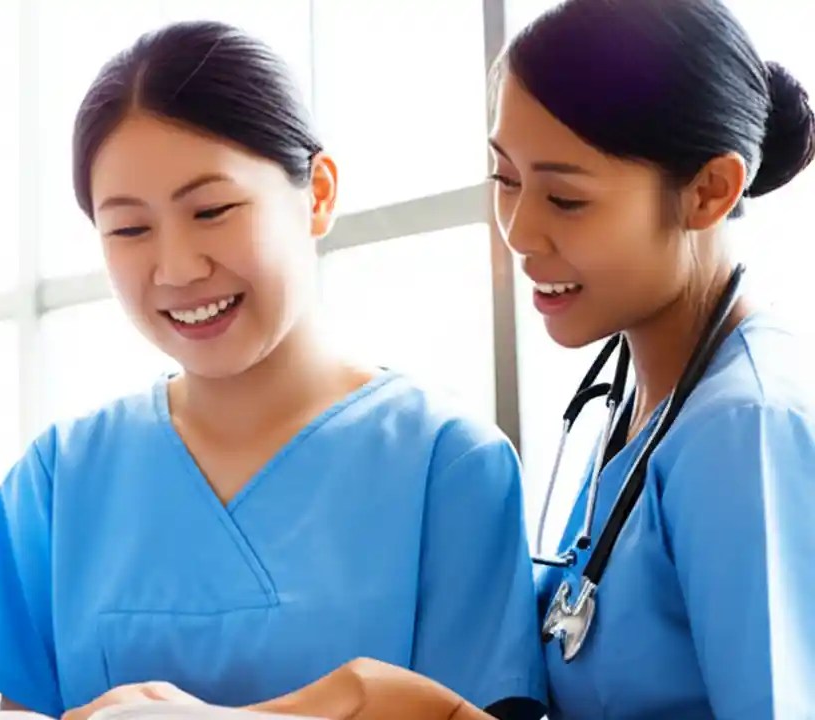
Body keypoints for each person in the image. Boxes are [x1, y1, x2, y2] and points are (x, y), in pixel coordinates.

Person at [242, 1, 815, 718]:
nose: (518, 230)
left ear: (708, 191)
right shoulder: (638, 406)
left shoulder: (743, 431)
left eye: (566, 198)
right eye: (506, 180)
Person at [0, 19, 546, 720]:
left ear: (319, 193)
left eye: (212, 210)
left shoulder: (447, 465)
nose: (178, 267)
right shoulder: (57, 481)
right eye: (129, 228)